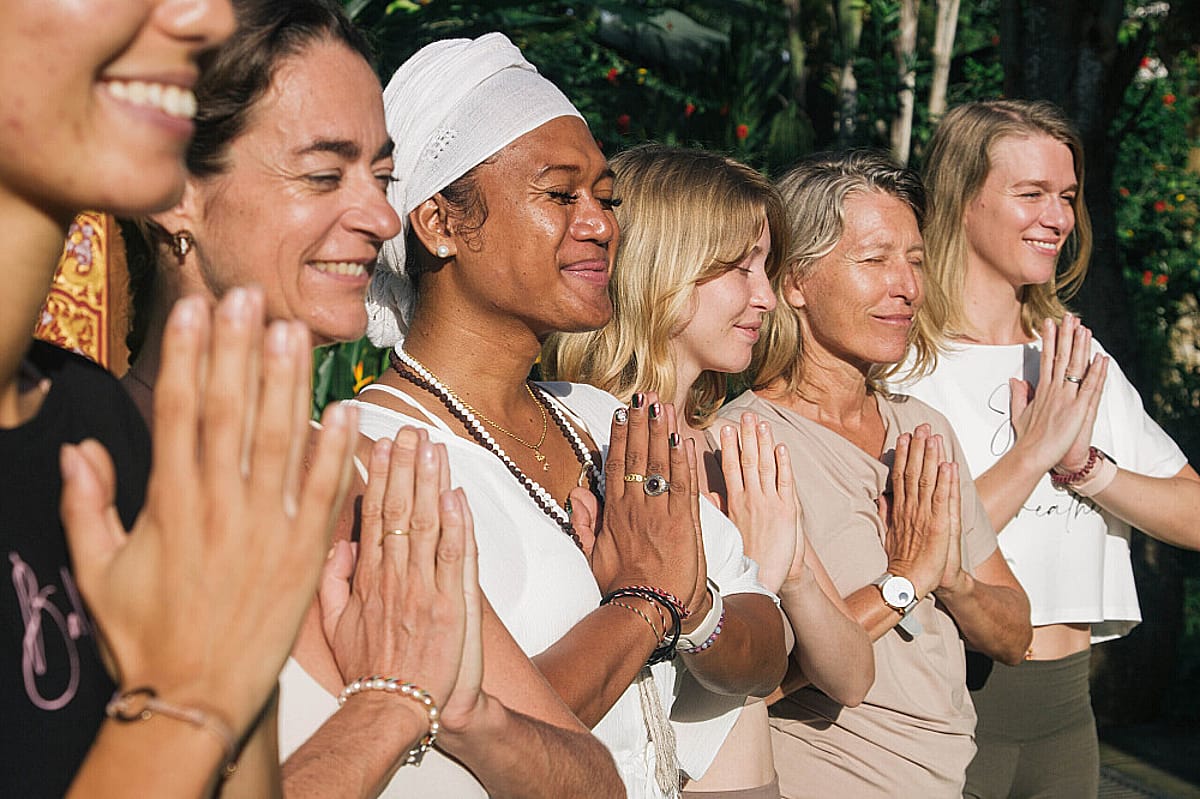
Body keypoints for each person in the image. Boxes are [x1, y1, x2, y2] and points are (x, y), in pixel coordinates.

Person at [119, 3, 623, 797]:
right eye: (324, 173)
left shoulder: (372, 474)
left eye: (383, 179)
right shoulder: (89, 467)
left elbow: (595, 779)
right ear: (176, 193)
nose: (382, 216)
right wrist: (390, 706)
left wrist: (468, 713)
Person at [351, 33, 788, 799]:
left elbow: (766, 641)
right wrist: (650, 601)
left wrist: (697, 605)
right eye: (560, 194)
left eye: (607, 197)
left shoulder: (599, 420)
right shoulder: (378, 456)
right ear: (439, 223)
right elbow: (491, 738)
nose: (601, 224)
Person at [0, 0, 370, 795]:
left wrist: (234, 680)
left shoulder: (98, 427)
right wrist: (187, 704)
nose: (202, 20)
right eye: (322, 172)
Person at [544, 143, 874, 799]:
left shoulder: (731, 448)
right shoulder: (576, 440)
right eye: (740, 267)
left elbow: (853, 676)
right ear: (662, 267)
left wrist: (793, 569)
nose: (767, 297)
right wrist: (754, 581)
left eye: (767, 267)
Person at [895, 99, 1200, 798]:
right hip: (947, 710)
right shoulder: (903, 366)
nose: (1059, 218)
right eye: (1030, 194)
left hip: (1067, 717)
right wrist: (1031, 450)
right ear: (961, 200)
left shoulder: (1072, 354)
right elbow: (913, 554)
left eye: (1065, 196)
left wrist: (1087, 468)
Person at [719, 150, 1032, 797]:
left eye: (915, 261)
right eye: (875, 260)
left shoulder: (922, 428)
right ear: (796, 281)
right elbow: (743, 676)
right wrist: (903, 581)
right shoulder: (739, 443)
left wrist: (951, 579)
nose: (907, 286)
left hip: (949, 777)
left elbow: (1014, 632)